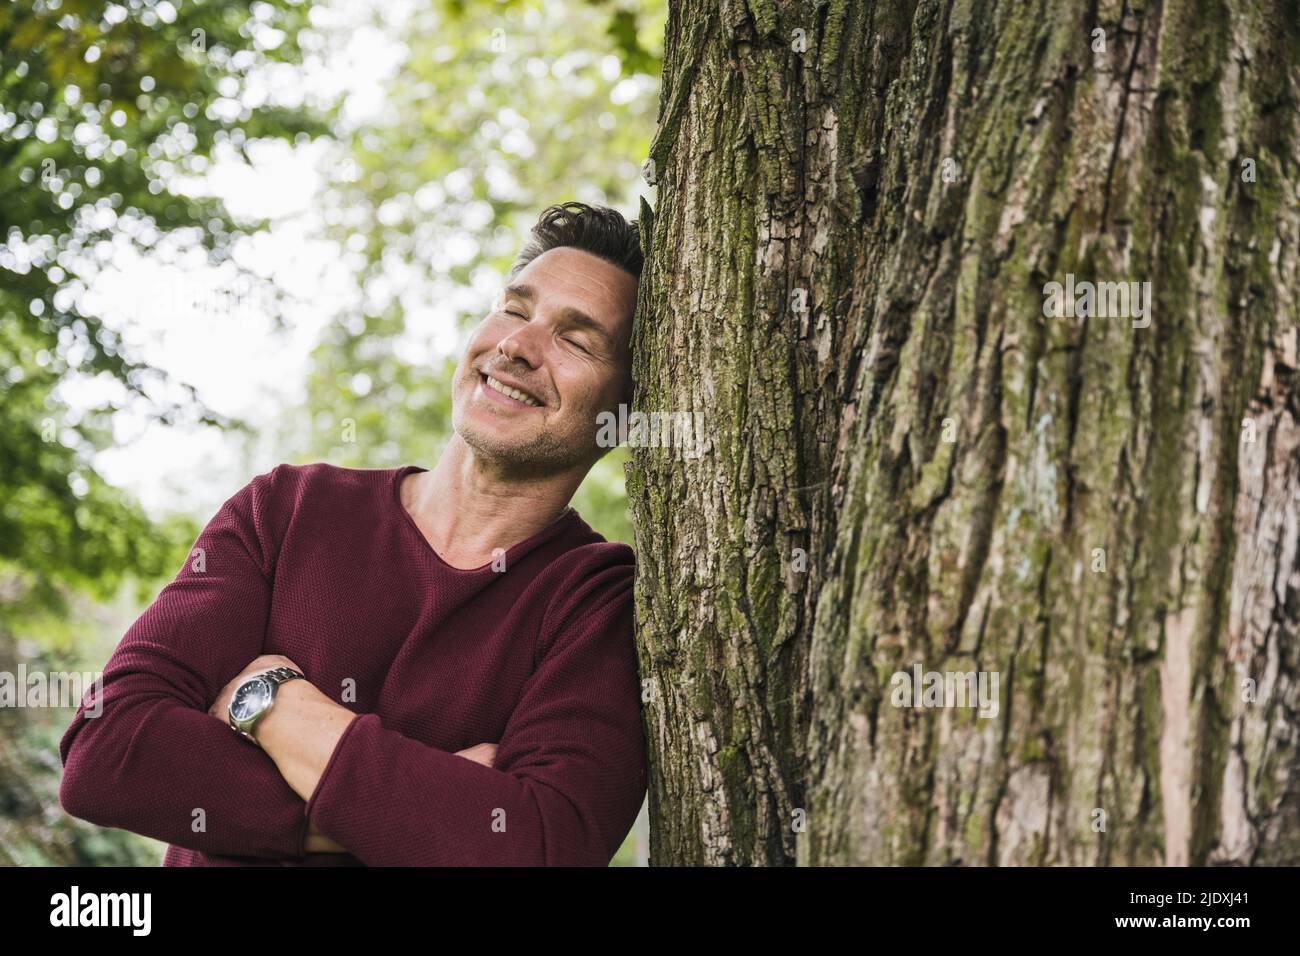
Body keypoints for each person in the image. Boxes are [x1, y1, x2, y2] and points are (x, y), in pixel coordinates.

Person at [58, 202, 648, 866]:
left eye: (576, 338)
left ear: (625, 413)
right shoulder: (285, 510)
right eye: (515, 310)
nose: (517, 346)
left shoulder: (597, 601)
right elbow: (106, 752)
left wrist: (274, 703)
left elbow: (543, 847)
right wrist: (413, 816)